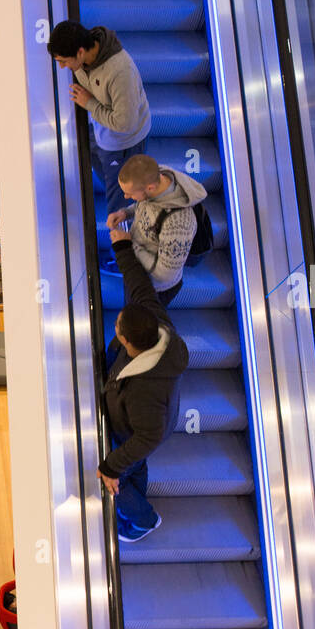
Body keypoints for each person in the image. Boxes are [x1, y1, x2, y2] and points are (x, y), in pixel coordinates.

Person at [97, 229, 189, 542]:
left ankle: (144, 520)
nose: (116, 326)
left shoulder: (143, 391)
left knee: (119, 474)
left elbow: (146, 438)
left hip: (139, 430)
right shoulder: (156, 321)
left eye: (118, 328)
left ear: (126, 341)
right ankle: (132, 478)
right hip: (146, 420)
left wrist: (111, 466)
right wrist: (122, 246)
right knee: (134, 466)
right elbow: (139, 285)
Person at [47, 20, 150, 220]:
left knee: (118, 211)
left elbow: (125, 123)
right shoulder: (83, 59)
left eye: (64, 61)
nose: (62, 67)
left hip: (123, 144)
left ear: (79, 52)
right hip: (100, 131)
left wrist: (90, 104)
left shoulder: (120, 73)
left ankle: (128, 241)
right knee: (106, 177)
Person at [107, 154, 208, 307]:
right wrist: (125, 213)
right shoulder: (159, 176)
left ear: (150, 188)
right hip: (136, 266)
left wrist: (127, 246)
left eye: (130, 193)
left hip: (153, 289)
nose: (126, 196)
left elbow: (165, 275)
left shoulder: (178, 224)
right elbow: (146, 205)